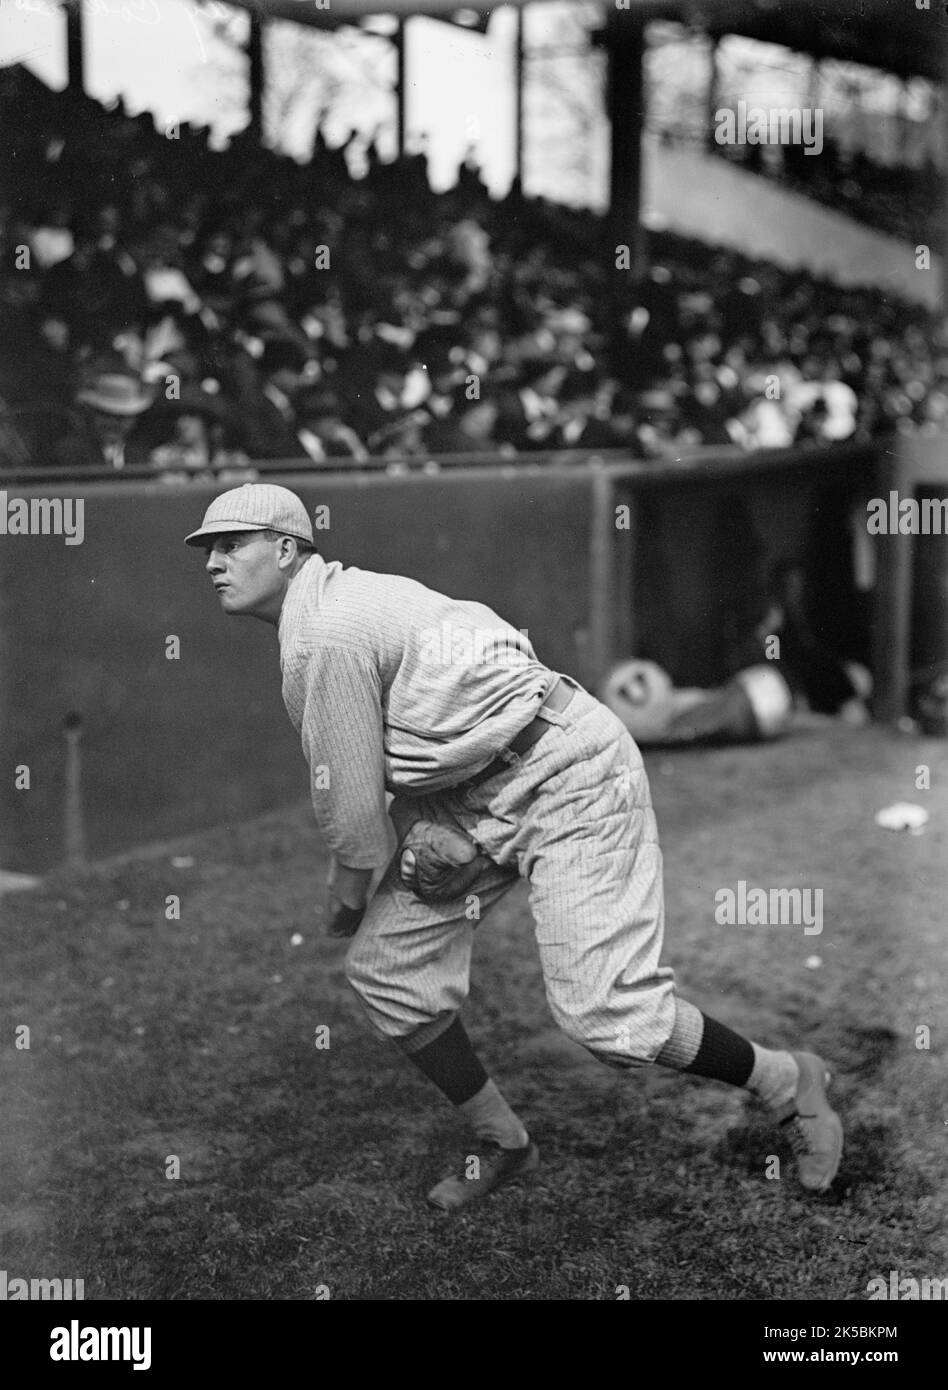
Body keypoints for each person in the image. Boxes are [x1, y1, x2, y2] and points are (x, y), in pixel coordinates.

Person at [184, 483, 844, 1212]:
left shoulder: (326, 631)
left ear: (286, 550)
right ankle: (503, 1140)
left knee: (608, 1016)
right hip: (478, 785)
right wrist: (425, 829)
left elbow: (350, 805)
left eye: (231, 544)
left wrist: (348, 893)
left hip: (568, 772)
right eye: (209, 548)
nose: (214, 562)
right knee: (388, 971)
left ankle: (787, 1079)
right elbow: (416, 735)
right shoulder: (337, 605)